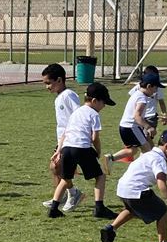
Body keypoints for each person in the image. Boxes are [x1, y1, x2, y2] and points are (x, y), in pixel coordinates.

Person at [100, 128, 167, 242]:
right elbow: (162, 185)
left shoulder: (149, 154)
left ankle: (110, 229)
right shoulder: (159, 160)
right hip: (135, 189)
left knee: (133, 210)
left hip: (122, 189)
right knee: (162, 210)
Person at [48, 82, 116, 220]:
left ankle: (54, 209)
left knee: (65, 179)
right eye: (103, 103)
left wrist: (59, 150)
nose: (103, 107)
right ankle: (99, 207)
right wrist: (98, 151)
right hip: (82, 148)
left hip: (67, 148)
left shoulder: (75, 113)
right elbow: (95, 137)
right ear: (95, 101)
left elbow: (65, 133)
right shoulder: (94, 114)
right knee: (100, 177)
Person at [42, 63, 82, 211]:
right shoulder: (60, 97)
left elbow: (78, 115)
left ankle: (73, 193)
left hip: (71, 139)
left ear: (59, 80)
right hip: (62, 139)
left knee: (59, 167)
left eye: (48, 83)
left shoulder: (69, 95)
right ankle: (63, 195)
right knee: (55, 167)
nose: (47, 87)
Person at [110, 72, 165, 163]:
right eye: (155, 88)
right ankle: (143, 170)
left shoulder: (137, 94)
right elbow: (137, 116)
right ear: (149, 86)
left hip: (123, 127)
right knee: (147, 150)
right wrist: (149, 127)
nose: (156, 91)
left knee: (132, 150)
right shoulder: (142, 98)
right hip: (132, 127)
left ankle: (111, 158)